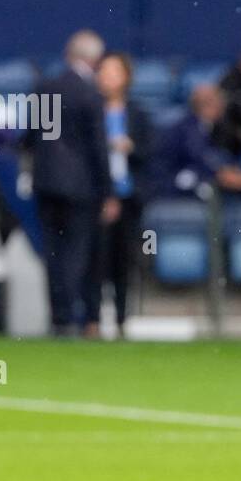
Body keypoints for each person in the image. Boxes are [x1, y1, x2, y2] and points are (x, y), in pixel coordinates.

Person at [27, 30, 110, 336]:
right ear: (94, 58)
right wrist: (108, 190)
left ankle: (59, 316)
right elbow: (98, 147)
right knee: (77, 252)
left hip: (46, 182)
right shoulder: (90, 92)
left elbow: (31, 137)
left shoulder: (45, 87)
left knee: (52, 252)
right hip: (81, 186)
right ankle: (75, 315)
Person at [86, 52, 152, 339]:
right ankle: (92, 320)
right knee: (94, 260)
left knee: (124, 260)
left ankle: (123, 319)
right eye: (104, 71)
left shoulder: (137, 113)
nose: (109, 77)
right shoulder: (89, 110)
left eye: (115, 72)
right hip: (96, 196)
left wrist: (130, 147)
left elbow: (151, 153)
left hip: (128, 197)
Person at [154, 83, 241, 198]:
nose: (223, 107)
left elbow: (219, 153)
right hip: (171, 181)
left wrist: (232, 169)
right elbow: (197, 155)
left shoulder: (214, 127)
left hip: (197, 174)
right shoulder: (188, 127)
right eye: (220, 102)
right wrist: (221, 172)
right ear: (209, 106)